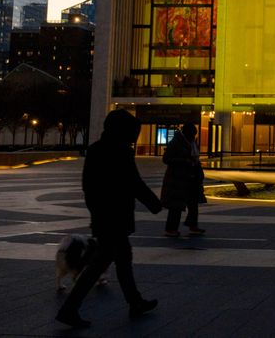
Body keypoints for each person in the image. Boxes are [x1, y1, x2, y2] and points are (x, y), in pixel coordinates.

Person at [56, 109, 161, 328]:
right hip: (115, 218)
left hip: (104, 217)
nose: (136, 137)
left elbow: (88, 186)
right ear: (123, 131)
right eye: (134, 132)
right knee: (100, 265)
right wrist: (155, 204)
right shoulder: (120, 151)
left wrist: (96, 212)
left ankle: (135, 302)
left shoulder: (96, 150)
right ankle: (70, 309)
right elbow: (134, 182)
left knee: (122, 260)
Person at [161, 122, 205, 237]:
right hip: (178, 178)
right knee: (176, 205)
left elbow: (195, 158)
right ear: (186, 133)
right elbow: (166, 159)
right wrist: (184, 161)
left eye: (194, 135)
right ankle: (171, 229)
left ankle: (193, 225)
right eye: (191, 134)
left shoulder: (193, 143)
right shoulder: (176, 142)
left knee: (193, 203)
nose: (193, 137)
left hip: (191, 177)